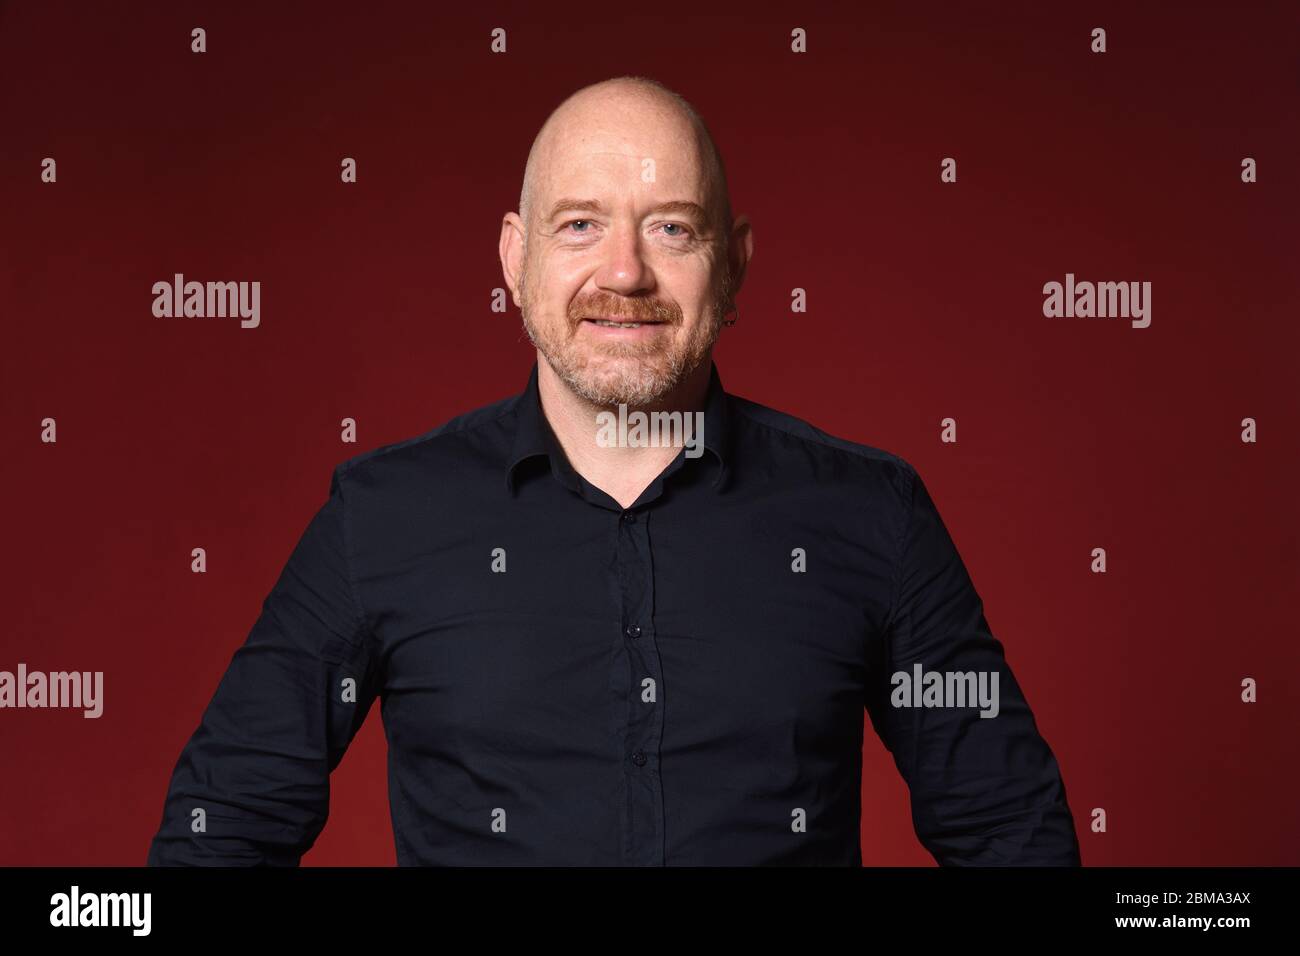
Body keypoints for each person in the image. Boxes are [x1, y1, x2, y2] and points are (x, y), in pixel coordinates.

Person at [147, 75, 1080, 866]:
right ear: (516, 258)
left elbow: (1013, 836)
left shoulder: (874, 513)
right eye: (581, 225)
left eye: (672, 228)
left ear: (736, 265)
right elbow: (217, 832)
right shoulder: (383, 515)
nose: (625, 272)